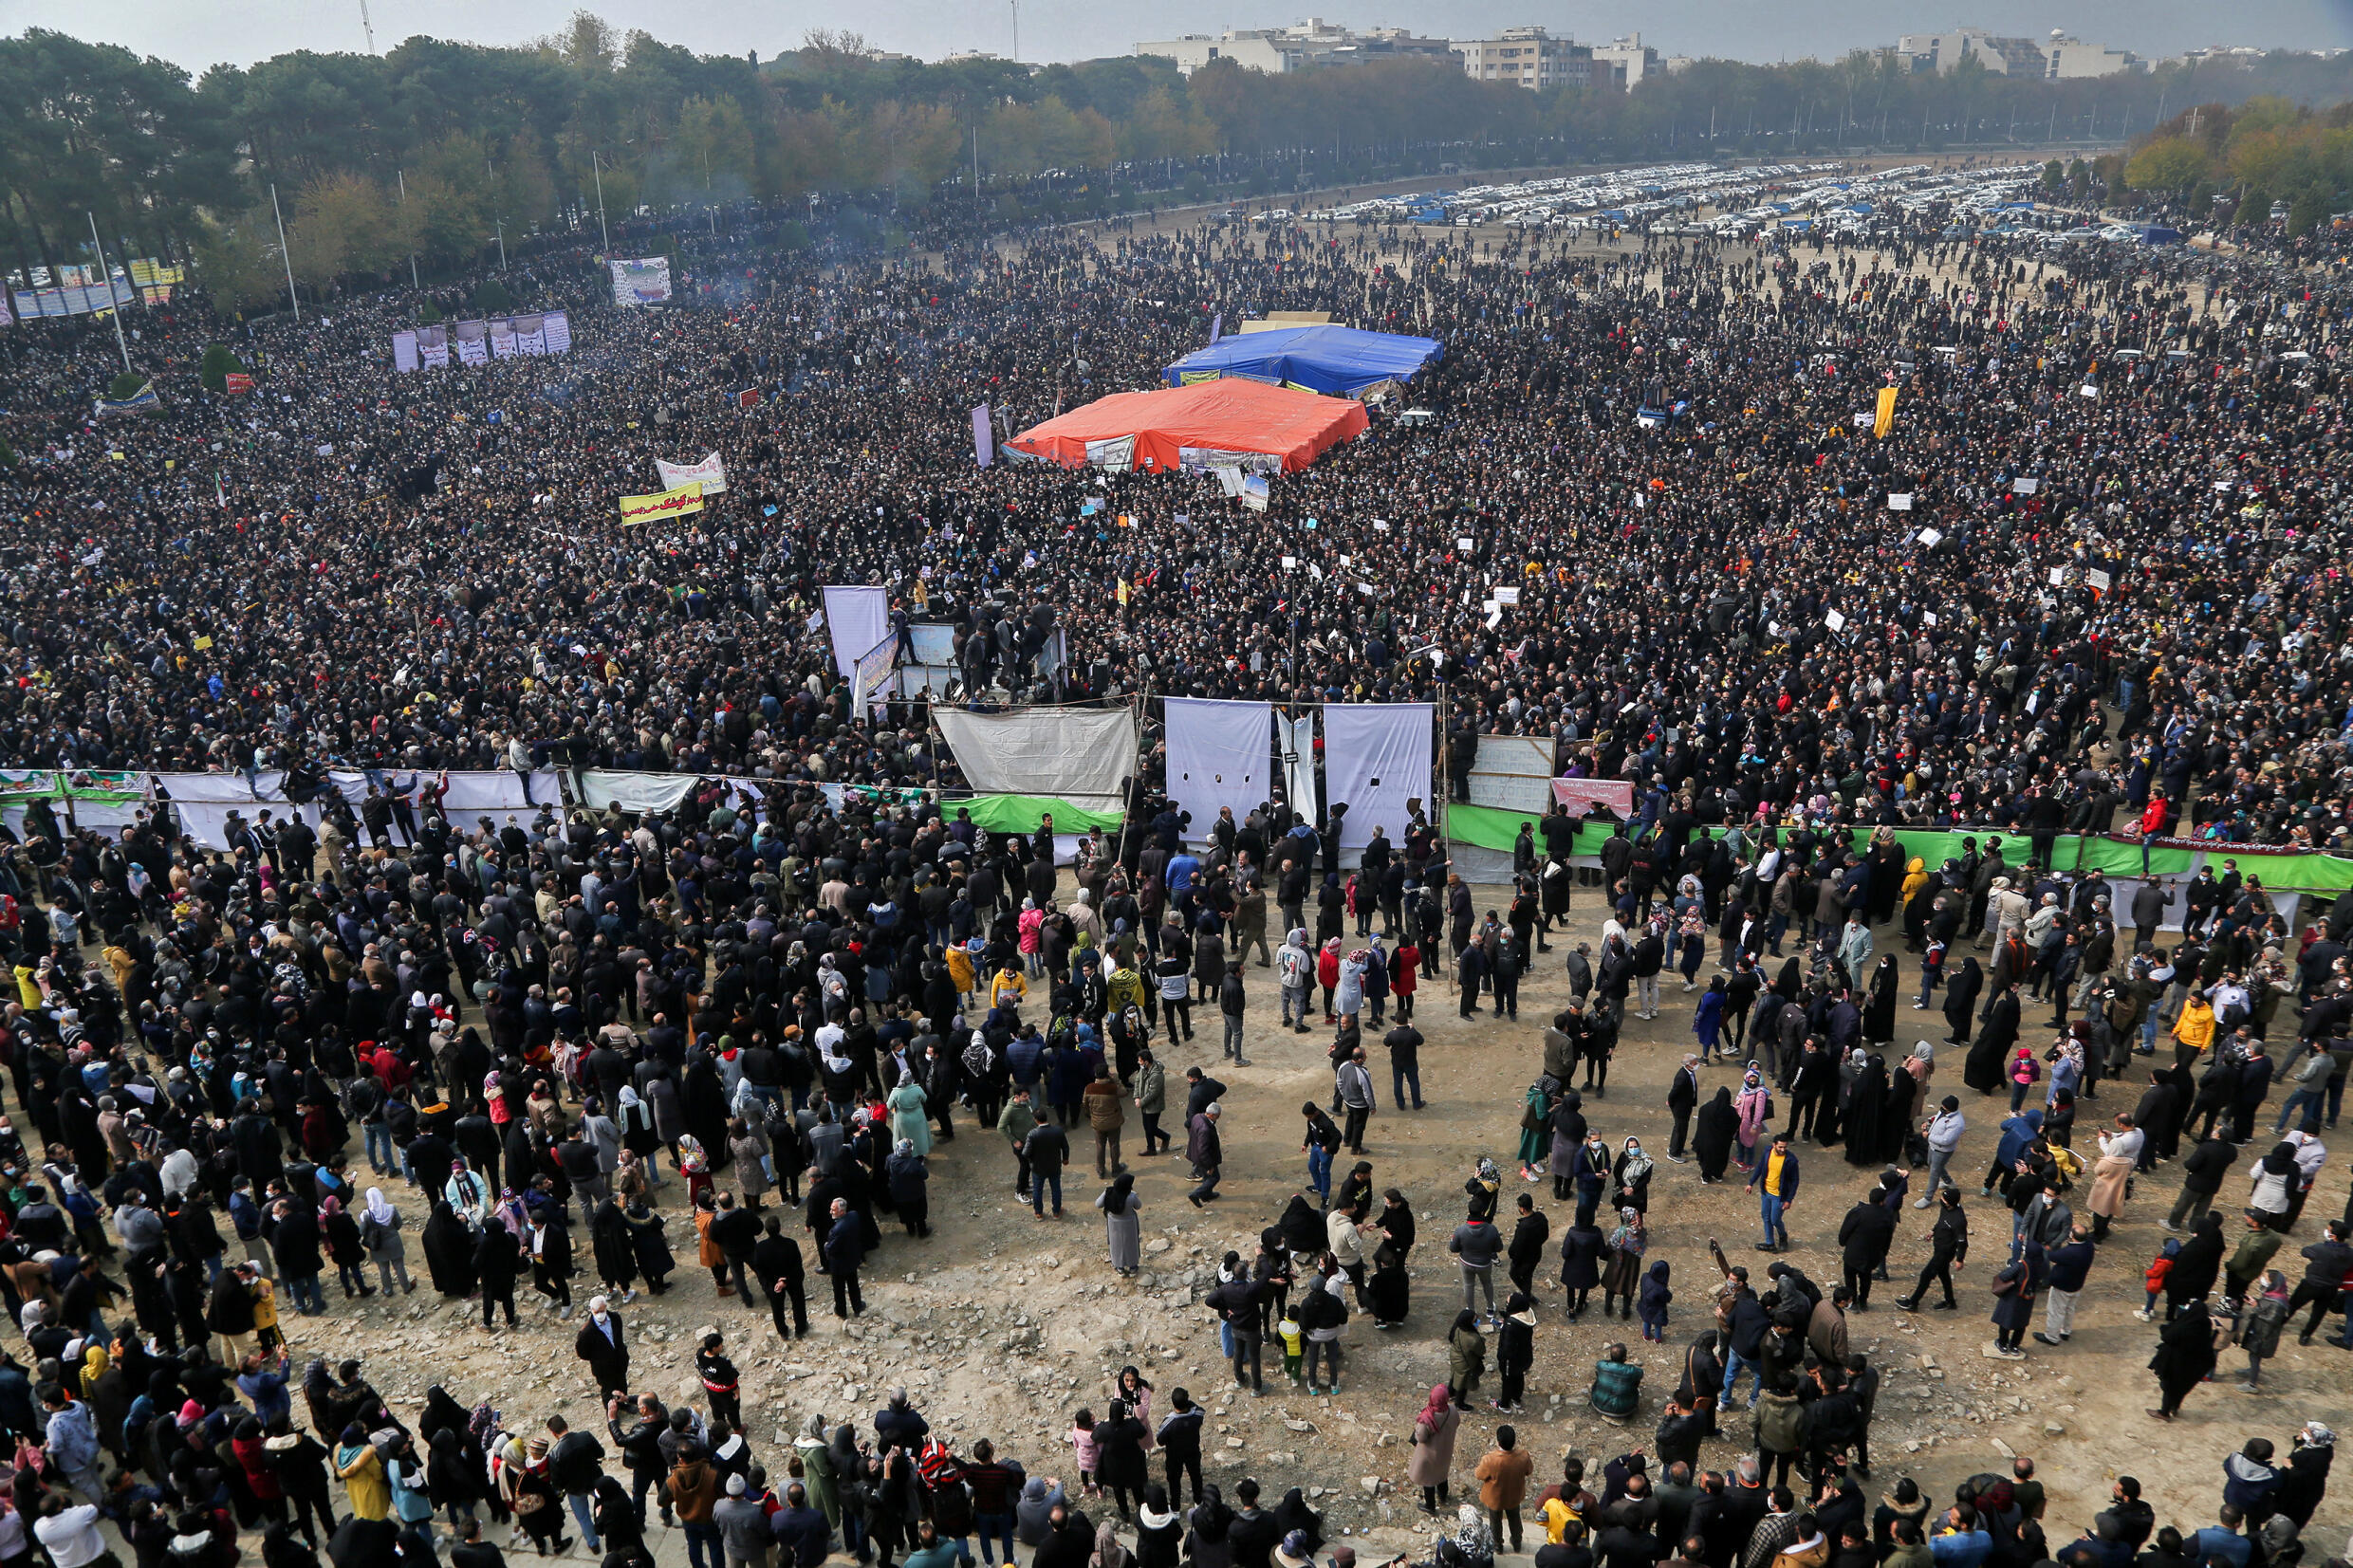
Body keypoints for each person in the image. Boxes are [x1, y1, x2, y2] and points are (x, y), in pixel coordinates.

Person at [2145, 1297, 2217, 1421]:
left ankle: (2164, 1413)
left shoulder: (2186, 1325)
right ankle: (2175, 1407)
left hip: (2176, 1363)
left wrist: (2165, 1328)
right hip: (2193, 1366)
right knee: (2181, 1388)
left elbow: (2167, 1336)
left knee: (2169, 1387)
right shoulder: (2205, 1325)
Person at [1473, 1426, 1533, 1554]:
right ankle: (1517, 1542)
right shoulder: (1523, 1456)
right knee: (1515, 1519)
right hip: (1514, 1495)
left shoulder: (1490, 1459)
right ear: (1514, 1441)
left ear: (1498, 1442)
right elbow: (1529, 1471)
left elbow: (1479, 1475)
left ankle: (1497, 1545)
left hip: (1495, 1497)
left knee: (1495, 1522)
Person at [1408, 1384, 1461, 1515]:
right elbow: (1457, 1422)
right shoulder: (1452, 1410)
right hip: (1445, 1450)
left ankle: (1430, 1506)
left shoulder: (1427, 1420)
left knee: (1428, 1480)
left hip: (1429, 1456)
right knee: (1442, 1474)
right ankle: (1443, 1497)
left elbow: (1420, 1437)